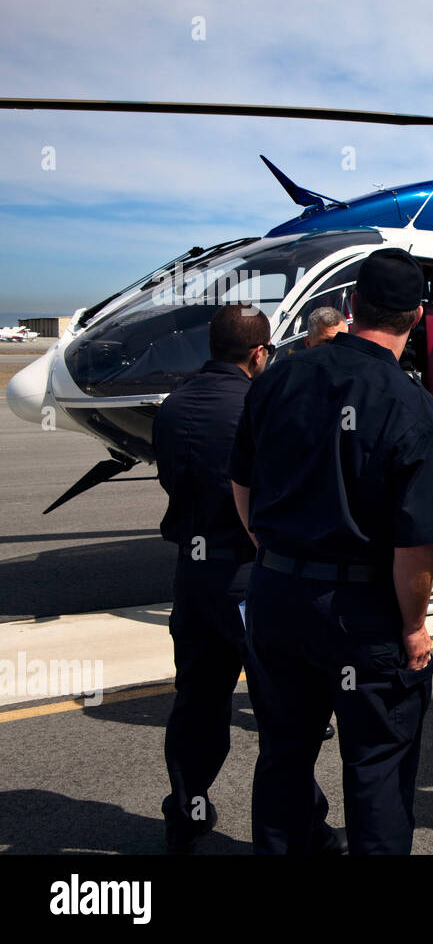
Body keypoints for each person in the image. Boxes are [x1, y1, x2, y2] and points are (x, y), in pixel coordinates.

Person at [231, 248, 433, 854]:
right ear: (417, 317)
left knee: (284, 753)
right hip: (362, 609)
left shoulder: (278, 377)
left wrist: (272, 552)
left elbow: (242, 483)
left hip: (276, 593)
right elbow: (415, 545)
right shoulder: (412, 406)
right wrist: (414, 627)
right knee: (378, 767)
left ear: (352, 303)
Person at [152, 303, 272, 853]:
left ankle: (186, 811)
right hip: (247, 575)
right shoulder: (259, 404)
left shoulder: (174, 404)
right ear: (258, 353)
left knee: (198, 702)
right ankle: (300, 826)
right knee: (280, 711)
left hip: (192, 576)